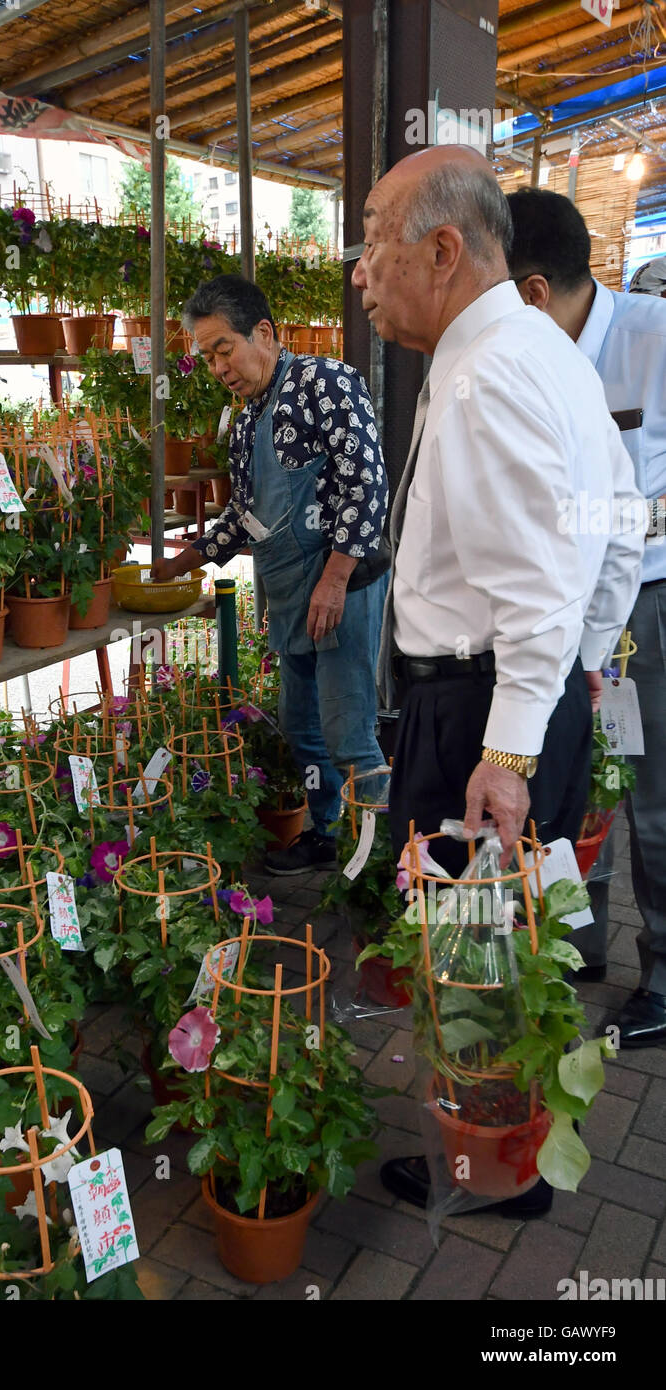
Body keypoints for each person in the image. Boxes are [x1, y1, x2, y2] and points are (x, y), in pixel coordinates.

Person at [352, 145, 645, 1214]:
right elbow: (616, 528)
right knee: (519, 930)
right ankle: (503, 1143)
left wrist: (507, 750)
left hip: (480, 713)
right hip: (522, 699)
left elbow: (533, 580)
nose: (359, 271)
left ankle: (486, 1164)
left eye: (374, 242)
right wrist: (570, 665)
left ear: (442, 248)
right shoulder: (543, 348)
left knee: (473, 942)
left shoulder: (485, 371)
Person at [149, 274, 390, 875]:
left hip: (343, 587)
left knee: (348, 732)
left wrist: (335, 579)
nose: (217, 367)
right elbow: (247, 515)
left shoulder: (324, 383)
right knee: (301, 727)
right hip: (290, 593)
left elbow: (367, 482)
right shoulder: (248, 415)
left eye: (223, 349)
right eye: (207, 357)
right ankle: (326, 830)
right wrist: (182, 561)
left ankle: (383, 863)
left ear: (263, 332)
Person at [507, 187, 666, 1048]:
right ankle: (581, 946)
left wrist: (609, 519)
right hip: (567, 609)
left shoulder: (651, 335)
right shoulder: (527, 358)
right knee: (580, 777)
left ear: (532, 290)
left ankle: (665, 979)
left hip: (646, 604)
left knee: (649, 794)